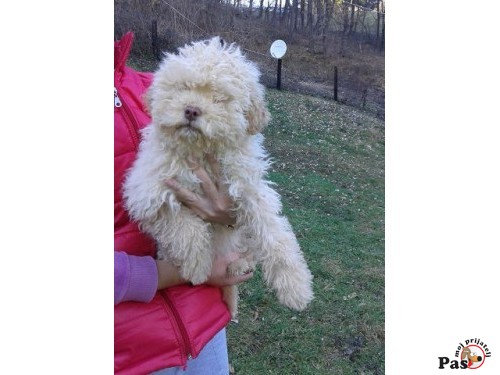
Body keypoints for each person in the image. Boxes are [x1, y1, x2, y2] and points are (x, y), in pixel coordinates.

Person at [114, 32, 252, 375]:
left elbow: (225, 175)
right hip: (128, 351)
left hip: (202, 328)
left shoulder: (157, 84)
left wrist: (230, 218)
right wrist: (195, 271)